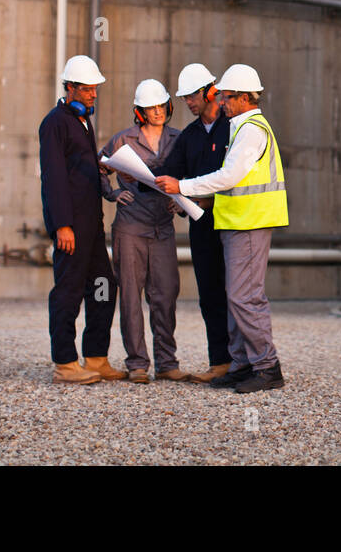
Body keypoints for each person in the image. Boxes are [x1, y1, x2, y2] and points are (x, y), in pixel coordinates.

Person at [157, 64, 287, 393]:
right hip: (237, 222)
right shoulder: (239, 127)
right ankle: (242, 365)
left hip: (249, 223)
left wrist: (183, 187)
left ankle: (267, 367)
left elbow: (229, 176)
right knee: (236, 297)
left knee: (246, 297)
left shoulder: (251, 130)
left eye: (227, 97)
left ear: (245, 98)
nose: (222, 102)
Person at [39, 55, 125, 384]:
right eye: (88, 89)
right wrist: (62, 225)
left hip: (90, 225)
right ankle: (64, 363)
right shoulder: (55, 123)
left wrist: (100, 165)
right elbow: (54, 177)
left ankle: (96, 357)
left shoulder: (82, 122)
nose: (94, 95)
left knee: (104, 286)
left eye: (95, 89)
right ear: (71, 88)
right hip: (71, 226)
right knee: (68, 292)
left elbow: (76, 168)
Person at [99, 78, 185, 383]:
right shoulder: (122, 140)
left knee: (165, 294)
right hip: (130, 227)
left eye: (162, 105)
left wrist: (182, 203)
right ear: (140, 111)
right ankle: (137, 363)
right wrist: (112, 194)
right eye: (151, 107)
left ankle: (166, 362)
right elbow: (100, 168)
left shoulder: (179, 139)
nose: (158, 111)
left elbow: (190, 178)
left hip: (163, 226)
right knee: (131, 296)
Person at [156, 64, 231, 383]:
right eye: (184, 98)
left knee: (238, 294)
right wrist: (175, 196)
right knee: (210, 293)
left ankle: (246, 360)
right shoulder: (188, 137)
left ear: (210, 91)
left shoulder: (235, 128)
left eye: (191, 96)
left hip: (234, 223)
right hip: (202, 227)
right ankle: (221, 362)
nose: (188, 103)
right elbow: (173, 173)